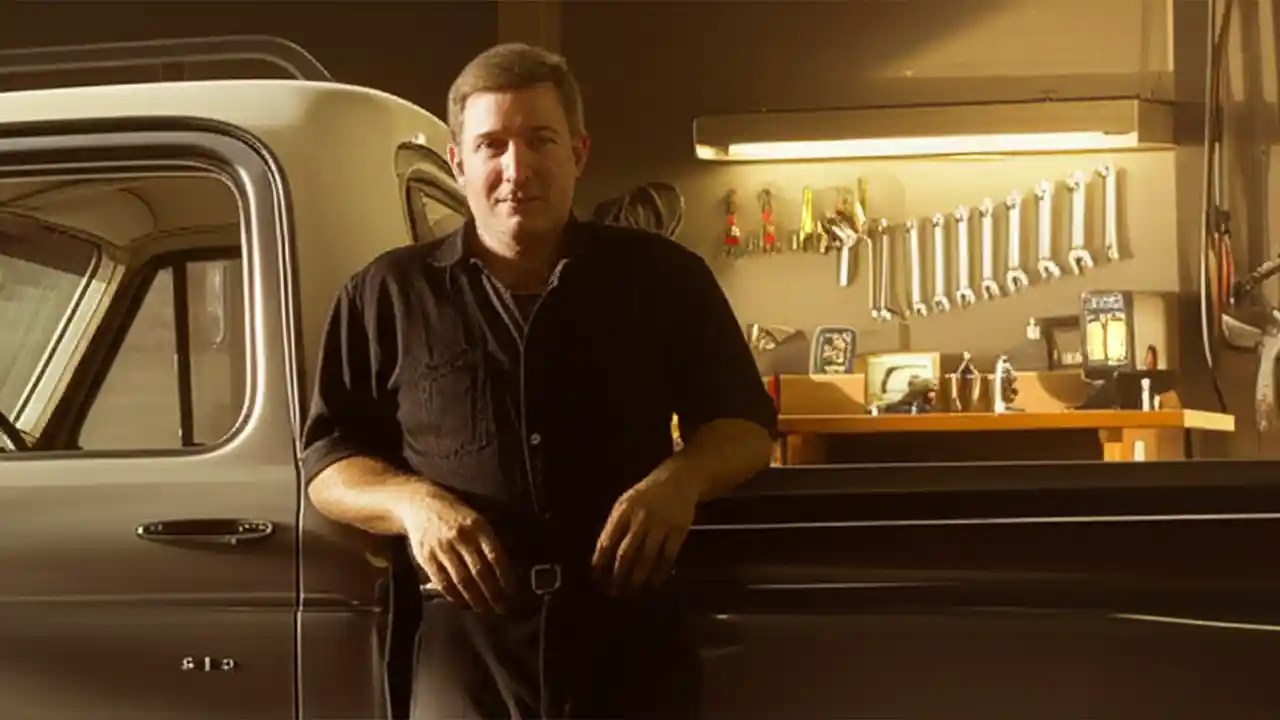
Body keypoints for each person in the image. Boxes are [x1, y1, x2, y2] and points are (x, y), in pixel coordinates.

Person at [301, 42, 777, 720]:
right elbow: (329, 463)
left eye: (540, 140)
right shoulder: (385, 295)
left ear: (579, 152)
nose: (516, 168)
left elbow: (745, 427)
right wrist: (413, 504)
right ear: (458, 163)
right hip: (462, 655)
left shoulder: (665, 278)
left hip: (626, 646)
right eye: (491, 145)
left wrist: (682, 479)